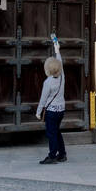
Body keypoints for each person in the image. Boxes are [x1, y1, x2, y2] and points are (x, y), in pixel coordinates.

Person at [36, 36, 67, 164]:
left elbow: (43, 99)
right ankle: (62, 154)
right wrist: (56, 46)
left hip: (51, 112)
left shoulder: (48, 82)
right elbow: (59, 59)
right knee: (57, 132)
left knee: (51, 134)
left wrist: (38, 112)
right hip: (61, 110)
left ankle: (52, 155)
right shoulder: (62, 76)